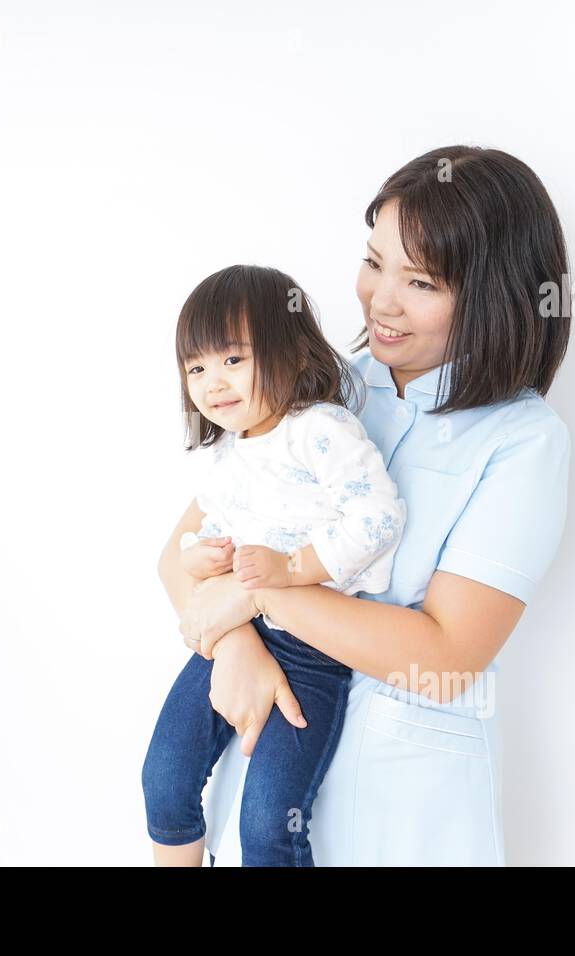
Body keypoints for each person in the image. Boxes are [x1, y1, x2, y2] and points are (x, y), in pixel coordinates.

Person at [157, 145, 572, 866]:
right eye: (374, 262)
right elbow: (181, 555)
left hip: (399, 812)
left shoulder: (523, 442)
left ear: (495, 295)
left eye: (420, 281)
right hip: (258, 785)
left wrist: (253, 600)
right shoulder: (320, 388)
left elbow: (444, 653)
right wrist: (235, 646)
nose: (381, 299)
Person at [141, 264, 405, 866]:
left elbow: (379, 519)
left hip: (315, 648)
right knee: (164, 780)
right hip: (236, 632)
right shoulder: (228, 454)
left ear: (286, 350)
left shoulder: (319, 430)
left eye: (232, 360)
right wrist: (202, 557)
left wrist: (293, 568)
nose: (213, 383)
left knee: (267, 825)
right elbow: (206, 537)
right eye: (197, 368)